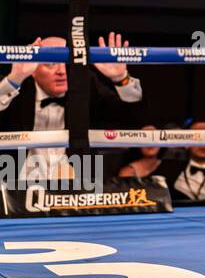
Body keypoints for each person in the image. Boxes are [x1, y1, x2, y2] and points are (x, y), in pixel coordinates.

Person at [0, 32, 142, 180]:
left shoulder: (85, 87)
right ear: (34, 69)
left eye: (68, 64)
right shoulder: (18, 89)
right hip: (16, 190)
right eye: (51, 63)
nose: (61, 71)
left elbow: (132, 117)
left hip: (74, 191)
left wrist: (121, 80)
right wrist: (14, 79)